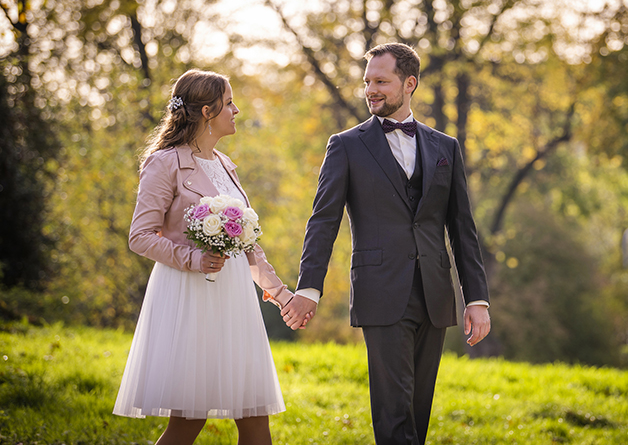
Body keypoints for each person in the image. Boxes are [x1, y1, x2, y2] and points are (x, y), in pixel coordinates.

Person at [281, 43, 491, 445]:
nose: (370, 90)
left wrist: (477, 299)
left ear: (409, 83)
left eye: (381, 81)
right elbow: (323, 221)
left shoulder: (445, 147)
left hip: (434, 292)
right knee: (394, 412)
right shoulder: (345, 145)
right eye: (367, 82)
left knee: (417, 411)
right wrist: (309, 288)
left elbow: (463, 228)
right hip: (381, 291)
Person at [113, 69, 305, 445]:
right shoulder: (164, 163)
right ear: (206, 111)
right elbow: (139, 236)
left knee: (254, 417)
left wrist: (283, 296)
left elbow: (248, 247)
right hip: (190, 300)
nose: (237, 110)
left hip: (235, 303)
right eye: (229, 103)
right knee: (188, 422)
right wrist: (193, 259)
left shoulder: (225, 165)